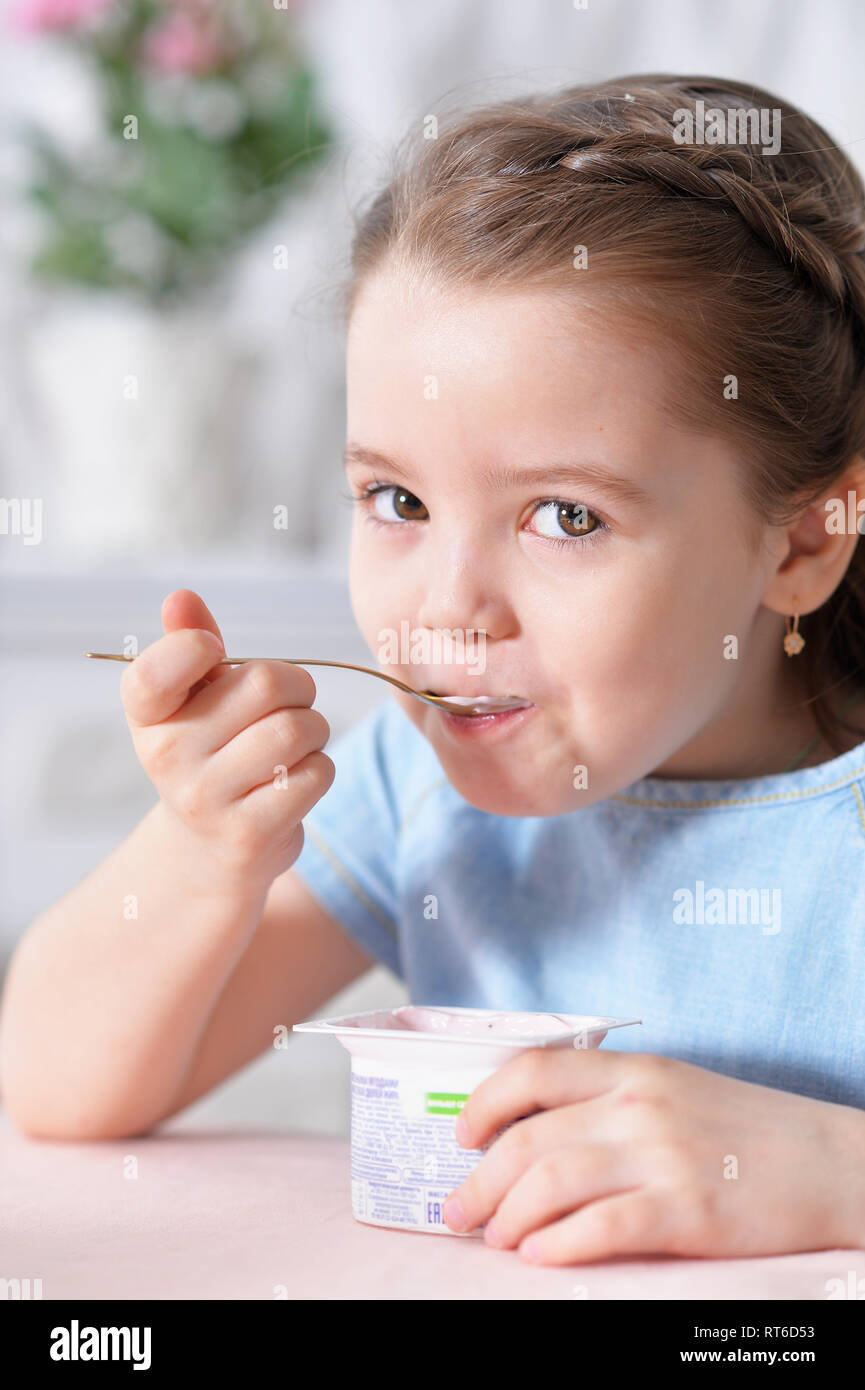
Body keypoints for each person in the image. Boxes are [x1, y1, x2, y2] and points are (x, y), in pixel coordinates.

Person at [3, 72, 865, 1265]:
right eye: (396, 498)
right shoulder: (417, 791)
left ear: (809, 535)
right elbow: (55, 1087)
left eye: (565, 517)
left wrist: (836, 1170)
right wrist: (203, 850)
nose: (445, 610)